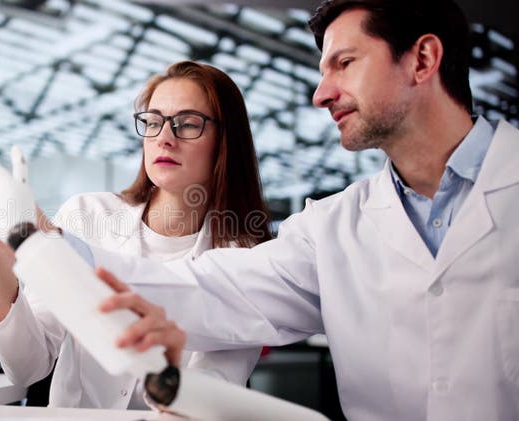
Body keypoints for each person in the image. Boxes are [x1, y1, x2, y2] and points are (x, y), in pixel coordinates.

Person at [67, 0, 518, 420]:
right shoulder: (330, 229)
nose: (321, 94)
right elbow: (210, 288)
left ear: (421, 59)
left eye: (344, 63)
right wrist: (54, 249)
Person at [0, 61, 274, 409]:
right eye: (152, 122)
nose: (164, 137)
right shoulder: (88, 216)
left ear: (225, 143)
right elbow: (27, 367)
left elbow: (204, 402)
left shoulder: (244, 263)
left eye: (187, 124)